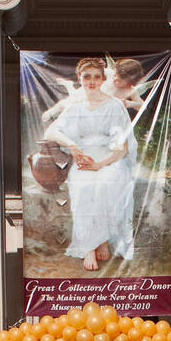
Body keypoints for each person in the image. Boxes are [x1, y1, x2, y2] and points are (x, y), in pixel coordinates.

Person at [43, 57, 138, 272]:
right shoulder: (76, 106)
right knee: (84, 185)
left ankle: (103, 239)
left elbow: (122, 149)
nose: (92, 81)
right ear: (80, 79)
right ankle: (88, 247)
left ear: (104, 79)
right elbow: (52, 131)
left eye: (97, 77)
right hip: (84, 157)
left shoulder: (113, 106)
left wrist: (101, 164)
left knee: (107, 181)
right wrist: (73, 147)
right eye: (87, 77)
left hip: (109, 159)